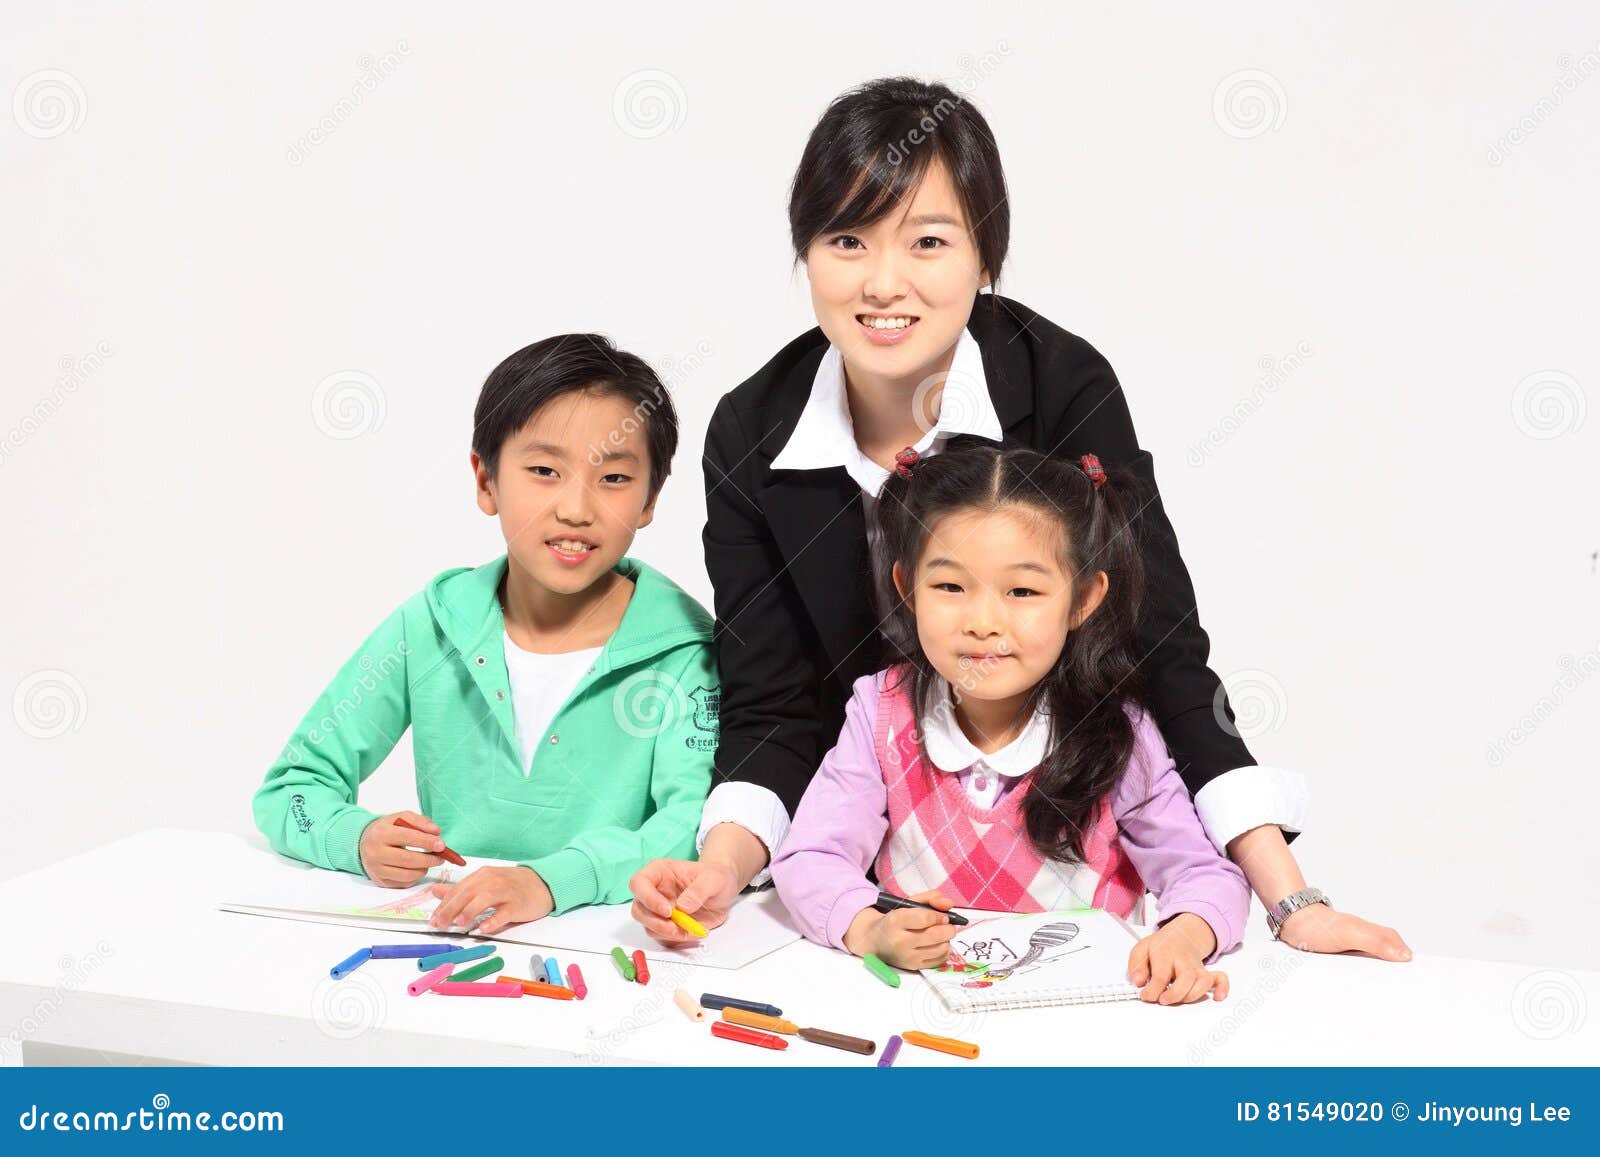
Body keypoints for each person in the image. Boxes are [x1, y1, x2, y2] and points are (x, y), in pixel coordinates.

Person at [631, 77, 1408, 964]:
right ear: (806, 254)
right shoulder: (752, 430)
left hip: (1062, 848)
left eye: (928, 241)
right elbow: (769, 700)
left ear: (984, 257)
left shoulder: (1060, 386)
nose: (884, 283)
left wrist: (1290, 897)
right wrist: (722, 871)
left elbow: (1163, 646)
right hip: (857, 889)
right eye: (847, 240)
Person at [253, 335, 718, 936]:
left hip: (610, 946)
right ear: (485, 480)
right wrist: (358, 838)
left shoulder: (686, 650)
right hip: (451, 940)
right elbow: (292, 785)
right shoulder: (430, 623)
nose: (576, 508)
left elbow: (692, 827)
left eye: (614, 478)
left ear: (651, 497)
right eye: (544, 471)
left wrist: (549, 881)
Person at [771, 440, 1249, 1003]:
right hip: (916, 1019)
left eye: (1022, 591)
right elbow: (811, 856)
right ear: (907, 588)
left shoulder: (1119, 733)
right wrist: (869, 928)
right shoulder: (881, 711)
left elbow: (1204, 874)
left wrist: (1185, 936)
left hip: (1081, 1025)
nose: (982, 621)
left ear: (1083, 599)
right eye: (949, 586)